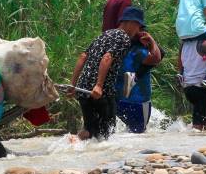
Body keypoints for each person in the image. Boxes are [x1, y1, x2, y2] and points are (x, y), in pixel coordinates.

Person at [69, 7, 143, 140]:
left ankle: (69, 145)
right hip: (101, 92)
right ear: (131, 22)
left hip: (83, 88)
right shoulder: (124, 38)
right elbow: (107, 58)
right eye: (139, 26)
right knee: (107, 133)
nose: (138, 31)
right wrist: (99, 85)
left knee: (90, 130)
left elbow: (83, 56)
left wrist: (73, 84)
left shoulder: (105, 34)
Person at [115, 12, 163, 133]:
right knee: (139, 134)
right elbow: (157, 57)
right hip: (138, 102)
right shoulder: (141, 52)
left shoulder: (118, 49)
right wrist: (151, 41)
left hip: (118, 100)